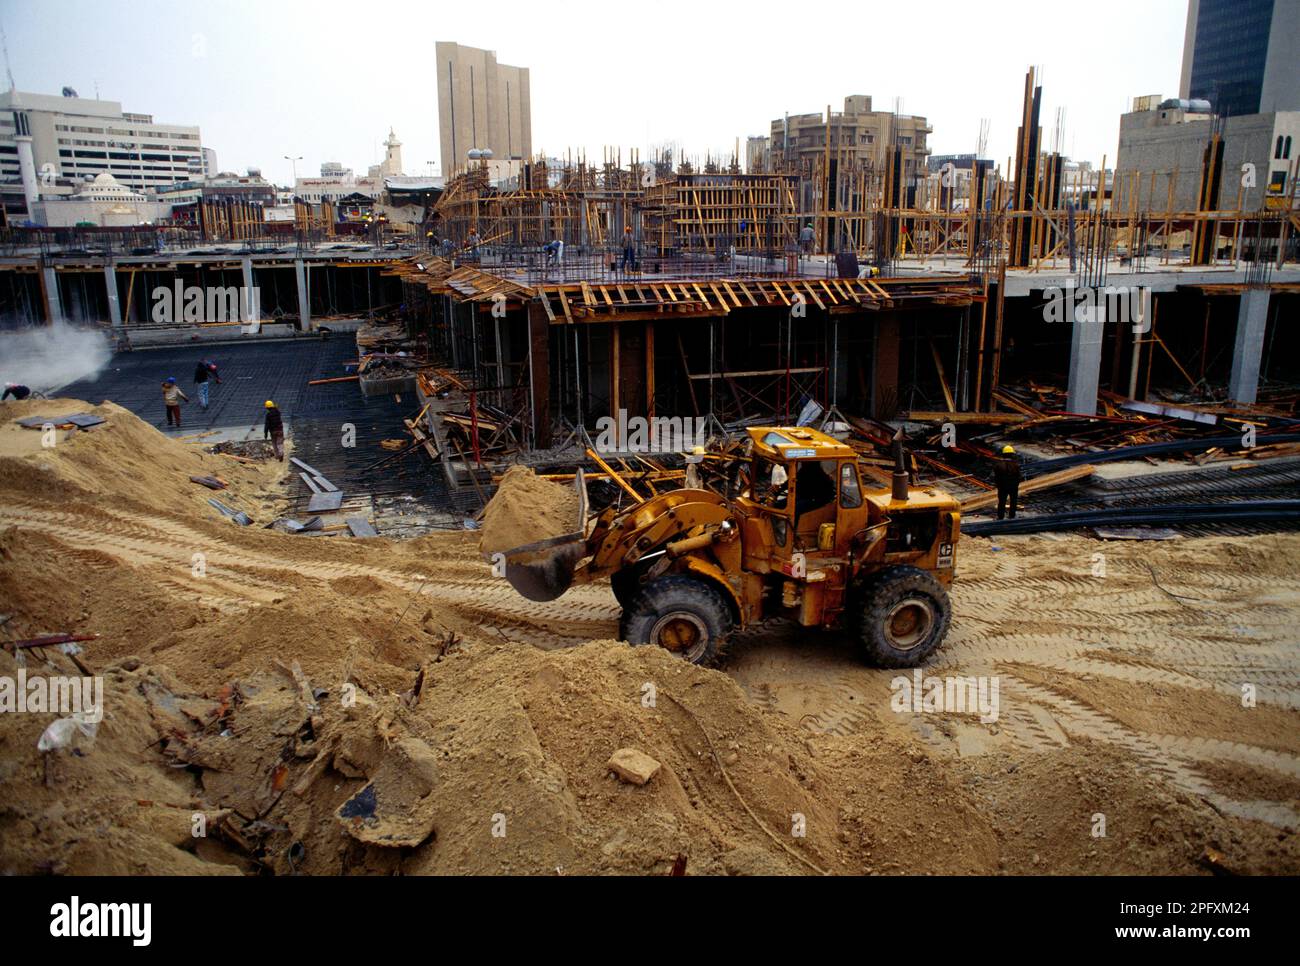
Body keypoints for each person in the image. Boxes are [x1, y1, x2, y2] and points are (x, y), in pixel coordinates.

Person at [994, 444, 1022, 520]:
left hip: (1002, 486)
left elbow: (996, 477)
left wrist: (998, 485)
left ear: (1003, 454)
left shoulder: (998, 465)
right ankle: (1012, 515)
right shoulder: (1015, 465)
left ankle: (1000, 516)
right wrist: (1016, 484)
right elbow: (1019, 476)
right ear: (1012, 455)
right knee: (1013, 501)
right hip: (1013, 486)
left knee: (1002, 501)